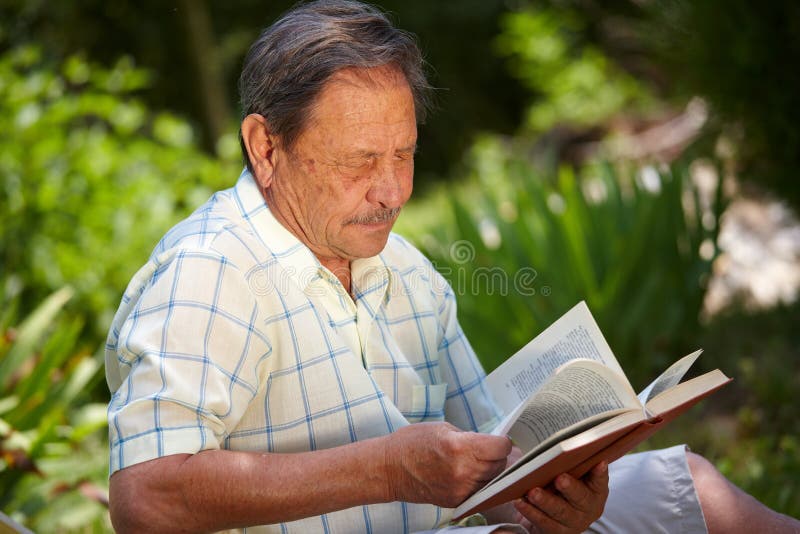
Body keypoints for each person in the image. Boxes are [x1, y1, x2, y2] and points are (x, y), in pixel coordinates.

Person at [105, 1, 800, 533]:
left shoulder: (404, 270)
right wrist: (383, 471)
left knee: (700, 492)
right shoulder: (211, 270)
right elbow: (143, 495)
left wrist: (558, 498)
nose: (391, 191)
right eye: (357, 161)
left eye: (403, 154)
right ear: (265, 146)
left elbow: (496, 458)